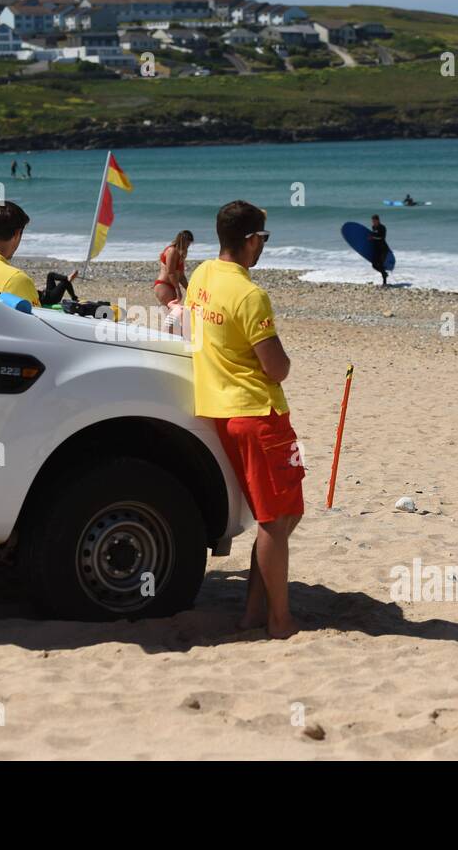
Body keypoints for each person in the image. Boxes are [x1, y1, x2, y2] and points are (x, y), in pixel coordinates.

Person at [187, 201, 304, 639]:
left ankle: (256, 610)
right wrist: (287, 362)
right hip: (257, 412)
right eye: (263, 240)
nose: (262, 248)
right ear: (252, 241)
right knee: (276, 520)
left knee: (283, 514)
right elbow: (275, 367)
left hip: (220, 411)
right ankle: (279, 619)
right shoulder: (250, 294)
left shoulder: (202, 276)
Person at [154, 229, 193, 309]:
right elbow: (170, 272)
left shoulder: (179, 254)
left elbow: (181, 276)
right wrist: (178, 289)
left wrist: (189, 290)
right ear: (182, 241)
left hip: (171, 285)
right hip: (164, 285)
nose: (188, 245)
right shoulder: (172, 251)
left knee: (173, 315)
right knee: (173, 313)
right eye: (188, 242)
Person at [369, 214, 390, 286]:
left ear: (378, 220)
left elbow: (382, 238)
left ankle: (384, 282)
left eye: (374, 221)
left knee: (381, 264)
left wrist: (373, 238)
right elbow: (373, 236)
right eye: (372, 221)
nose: (373, 222)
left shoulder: (382, 227)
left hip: (383, 249)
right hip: (376, 248)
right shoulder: (373, 227)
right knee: (374, 265)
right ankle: (384, 273)